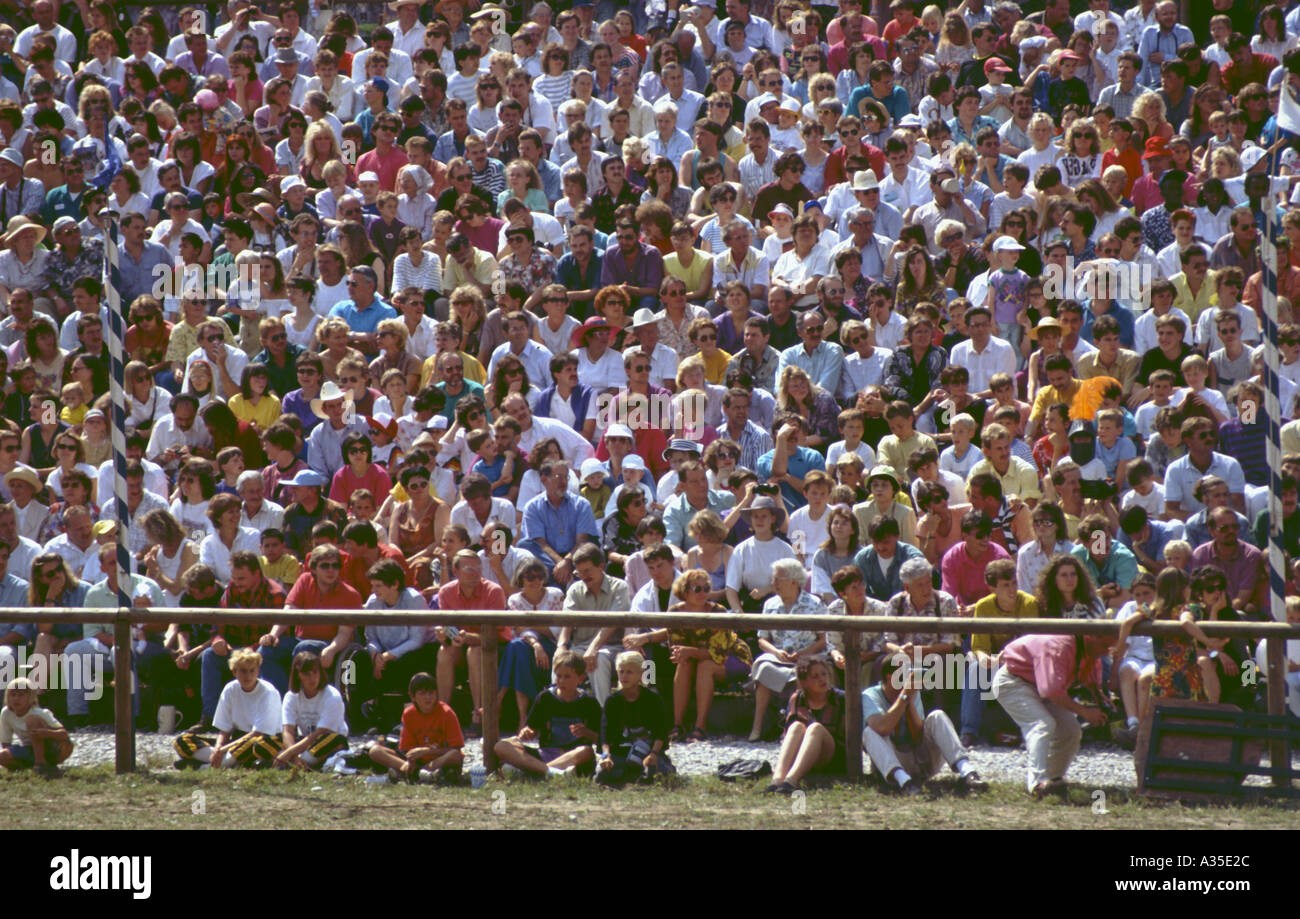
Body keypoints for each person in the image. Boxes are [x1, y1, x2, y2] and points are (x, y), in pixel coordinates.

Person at [992, 628, 1111, 797]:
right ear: (1091, 636)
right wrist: (1085, 712)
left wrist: (1101, 704)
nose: (1106, 651)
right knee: (1041, 724)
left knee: (1071, 731)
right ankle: (1038, 784)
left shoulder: (1089, 650)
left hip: (1037, 686)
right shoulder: (1060, 646)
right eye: (1105, 645)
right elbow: (1052, 691)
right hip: (1013, 681)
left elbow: (1091, 682)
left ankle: (1053, 779)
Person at [862, 653, 987, 794]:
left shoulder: (911, 693)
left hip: (919, 759)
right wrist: (903, 697)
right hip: (892, 764)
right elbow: (881, 728)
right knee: (869, 732)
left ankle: (968, 773)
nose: (909, 677)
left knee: (937, 715)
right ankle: (904, 782)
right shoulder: (870, 695)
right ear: (890, 677)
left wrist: (909, 702)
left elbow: (917, 736)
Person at [748, 556, 827, 742]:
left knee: (805, 672)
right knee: (764, 666)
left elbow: (824, 639)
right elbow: (762, 639)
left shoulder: (814, 604)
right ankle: (757, 726)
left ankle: (795, 727)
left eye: (778, 579)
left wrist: (804, 654)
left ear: (794, 581)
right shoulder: (770, 604)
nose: (773, 583)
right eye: (773, 578)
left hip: (808, 656)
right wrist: (776, 653)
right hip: (779, 657)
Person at [492, 648, 602, 778]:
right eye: (558, 676)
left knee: (586, 751)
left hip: (572, 757)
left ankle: (534, 771)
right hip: (545, 754)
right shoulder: (545, 698)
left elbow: (602, 740)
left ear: (580, 678)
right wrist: (527, 732)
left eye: (567, 677)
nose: (561, 681)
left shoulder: (589, 703)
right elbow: (532, 728)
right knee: (501, 746)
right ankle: (551, 772)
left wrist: (586, 733)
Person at [173, 648, 284, 769]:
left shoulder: (268, 691)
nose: (248, 675)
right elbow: (225, 729)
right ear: (234, 671)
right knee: (182, 740)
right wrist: (218, 748)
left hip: (262, 739)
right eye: (243, 671)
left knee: (256, 745)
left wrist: (223, 750)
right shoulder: (230, 689)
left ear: (258, 671)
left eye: (252, 671)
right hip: (237, 741)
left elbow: (258, 732)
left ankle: (202, 766)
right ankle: (221, 762)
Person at [366, 671, 465, 785]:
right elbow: (406, 748)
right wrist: (410, 761)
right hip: (418, 762)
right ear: (412, 696)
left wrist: (427, 751)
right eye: (422, 693)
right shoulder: (409, 714)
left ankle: (420, 773)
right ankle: (410, 770)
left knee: (455, 755)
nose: (428, 697)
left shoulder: (447, 713)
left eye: (431, 693)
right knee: (375, 751)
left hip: (439, 760)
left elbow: (456, 749)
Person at [595, 650, 673, 787]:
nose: (624, 676)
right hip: (622, 750)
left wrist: (653, 754)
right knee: (602, 774)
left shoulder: (653, 700)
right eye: (621, 671)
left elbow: (660, 731)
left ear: (641, 674)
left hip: (648, 750)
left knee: (657, 773)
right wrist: (605, 755)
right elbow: (605, 733)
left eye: (629, 672)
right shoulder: (613, 701)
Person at [272, 650, 349, 771]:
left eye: (315, 672)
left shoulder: (332, 695)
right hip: (306, 741)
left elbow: (321, 732)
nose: (312, 678)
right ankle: (298, 762)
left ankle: (296, 762)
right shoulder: (291, 696)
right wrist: (295, 756)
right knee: (268, 742)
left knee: (325, 744)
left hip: (330, 740)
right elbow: (288, 730)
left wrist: (289, 753)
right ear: (298, 674)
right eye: (307, 674)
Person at [0, 677, 72, 778]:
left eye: (21, 695)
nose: (16, 698)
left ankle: (41, 764)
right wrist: (9, 759)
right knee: (2, 755)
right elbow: (6, 742)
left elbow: (64, 735)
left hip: (51, 748)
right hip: (29, 749)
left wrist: (46, 733)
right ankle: (31, 767)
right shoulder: (6, 713)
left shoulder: (39, 713)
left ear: (30, 697)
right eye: (13, 695)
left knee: (32, 721)